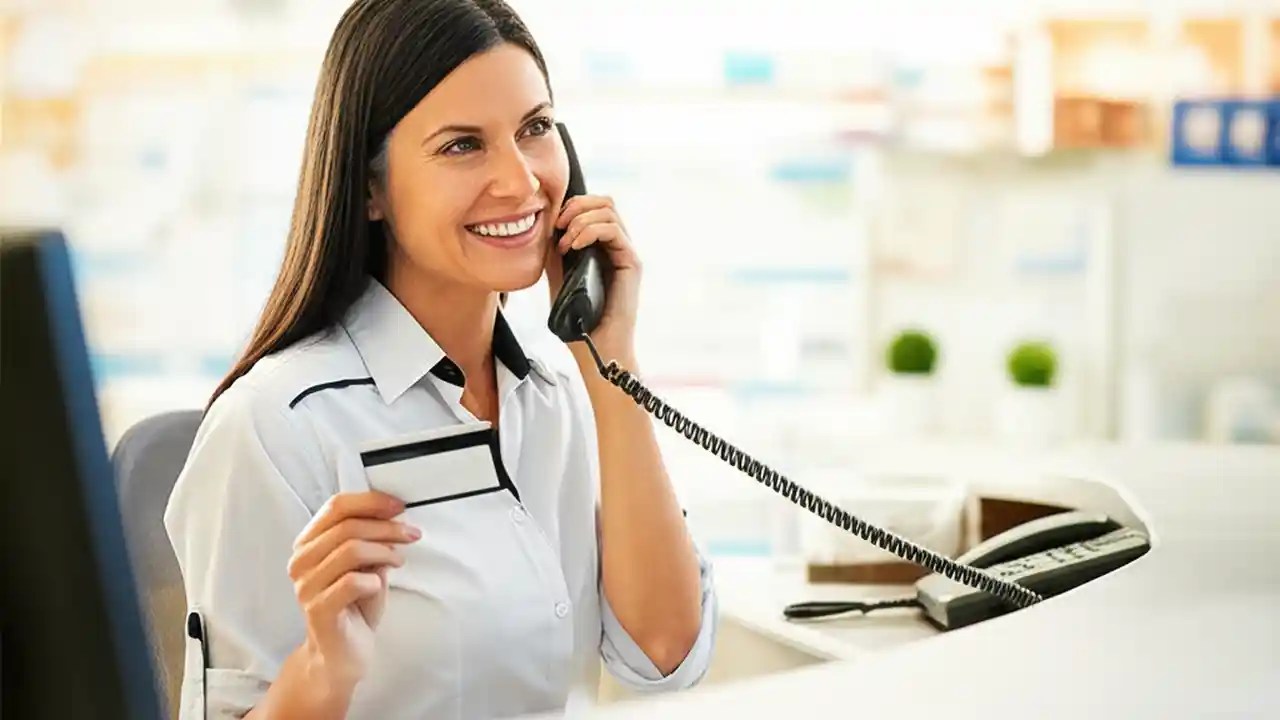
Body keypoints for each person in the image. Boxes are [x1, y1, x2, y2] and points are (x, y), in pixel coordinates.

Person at [162, 1, 717, 717]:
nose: (521, 182)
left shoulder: (553, 396)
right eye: (462, 145)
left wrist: (611, 365)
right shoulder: (275, 425)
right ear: (369, 188)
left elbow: (664, 653)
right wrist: (323, 671)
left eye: (535, 129)